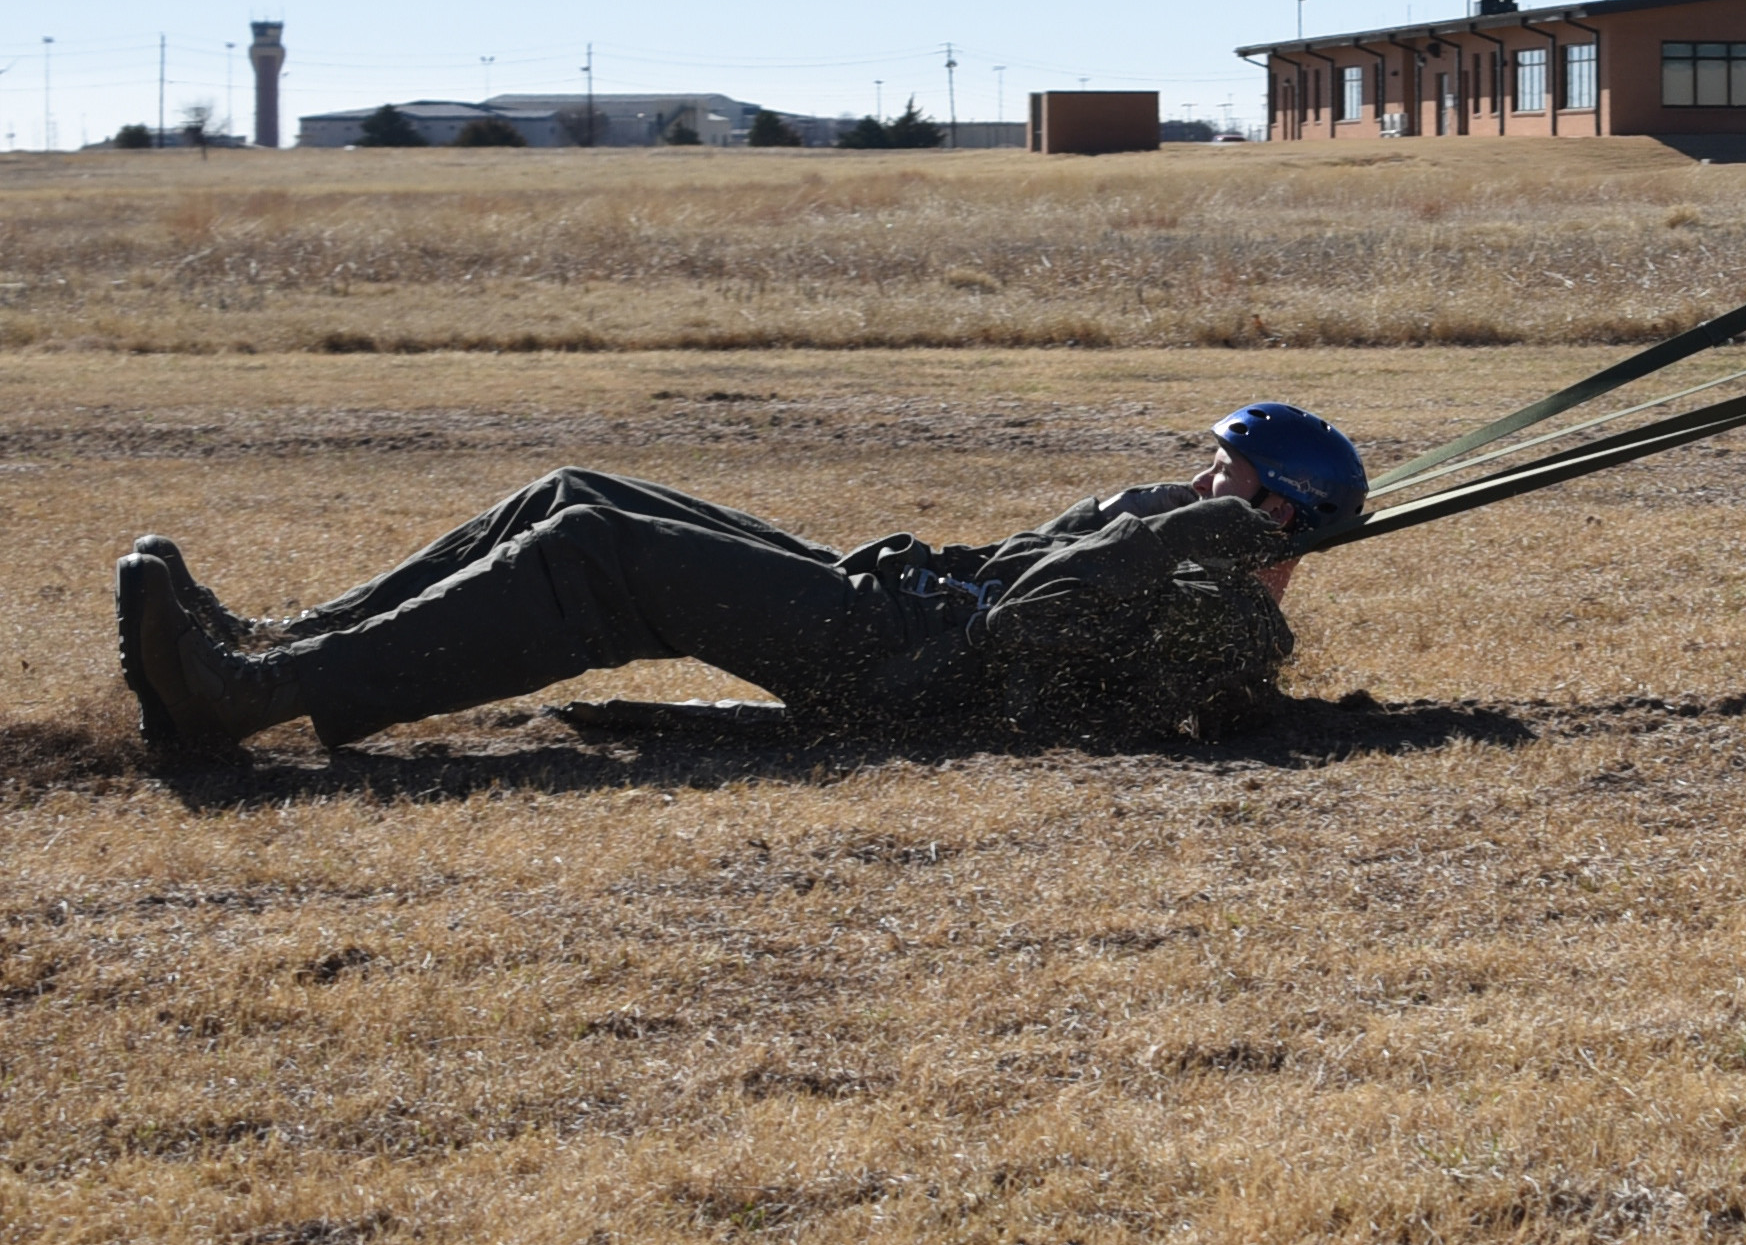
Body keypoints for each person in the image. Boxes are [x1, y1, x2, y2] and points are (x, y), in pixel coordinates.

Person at [114, 402, 1366, 751]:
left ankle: (250, 697)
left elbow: (1030, 642)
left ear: (1276, 519)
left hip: (914, 680)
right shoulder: (1177, 540)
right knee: (577, 490)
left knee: (602, 559)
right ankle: (286, 638)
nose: (1196, 487)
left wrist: (1158, 540)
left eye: (1224, 478)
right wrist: (1131, 521)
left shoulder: (1232, 639)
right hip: (904, 620)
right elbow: (1021, 571)